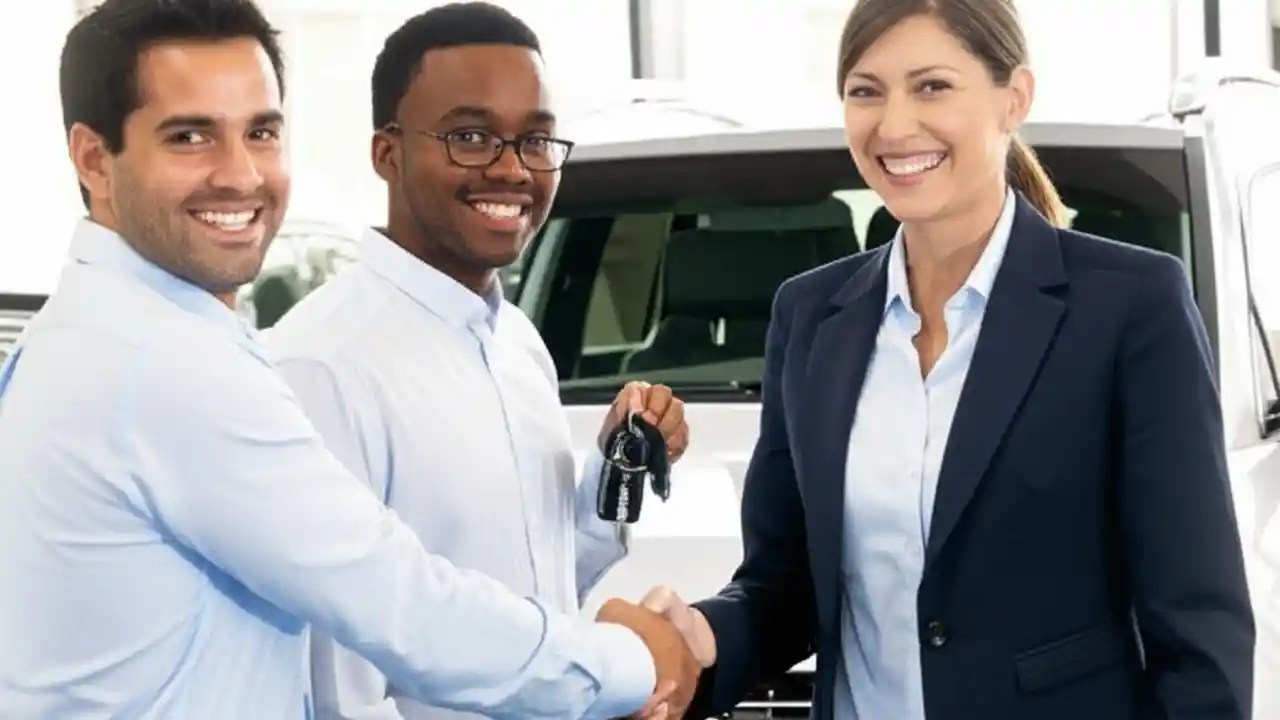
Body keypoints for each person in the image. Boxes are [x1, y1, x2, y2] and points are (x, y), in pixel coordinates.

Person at [0, 1, 697, 718]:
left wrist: (606, 496)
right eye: (189, 137)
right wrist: (634, 662)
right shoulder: (176, 362)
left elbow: (512, 582)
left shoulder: (100, 335)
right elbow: (399, 612)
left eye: (261, 132)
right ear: (94, 159)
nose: (241, 175)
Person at [630, 0, 1257, 718]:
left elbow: (1198, 627)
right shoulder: (809, 316)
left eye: (932, 86)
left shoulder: (1129, 306)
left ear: (1014, 98)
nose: (894, 125)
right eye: (866, 91)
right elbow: (787, 585)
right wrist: (703, 635)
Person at [265, 4, 692, 719]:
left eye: (535, 139)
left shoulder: (519, 345)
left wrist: (610, 475)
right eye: (470, 137)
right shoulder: (321, 366)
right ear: (387, 153)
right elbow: (337, 689)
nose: (512, 168)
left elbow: (535, 600)